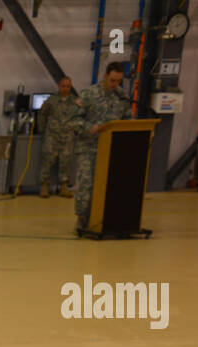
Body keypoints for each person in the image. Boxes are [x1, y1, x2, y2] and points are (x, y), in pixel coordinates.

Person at [70, 63, 130, 233]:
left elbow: (127, 120)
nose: (114, 84)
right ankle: (83, 221)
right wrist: (89, 127)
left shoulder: (122, 97)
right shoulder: (89, 94)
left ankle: (105, 221)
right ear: (105, 76)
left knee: (110, 187)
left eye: (118, 81)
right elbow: (73, 119)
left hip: (112, 149)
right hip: (89, 147)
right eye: (112, 80)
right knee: (87, 186)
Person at [38, 76, 82, 198]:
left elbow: (80, 116)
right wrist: (41, 129)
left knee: (66, 161)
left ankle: (64, 186)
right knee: (47, 160)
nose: (65, 89)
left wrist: (77, 130)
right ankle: (44, 186)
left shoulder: (75, 101)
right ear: (59, 86)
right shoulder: (51, 101)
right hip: (52, 135)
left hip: (68, 136)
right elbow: (42, 115)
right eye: (63, 86)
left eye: (68, 86)